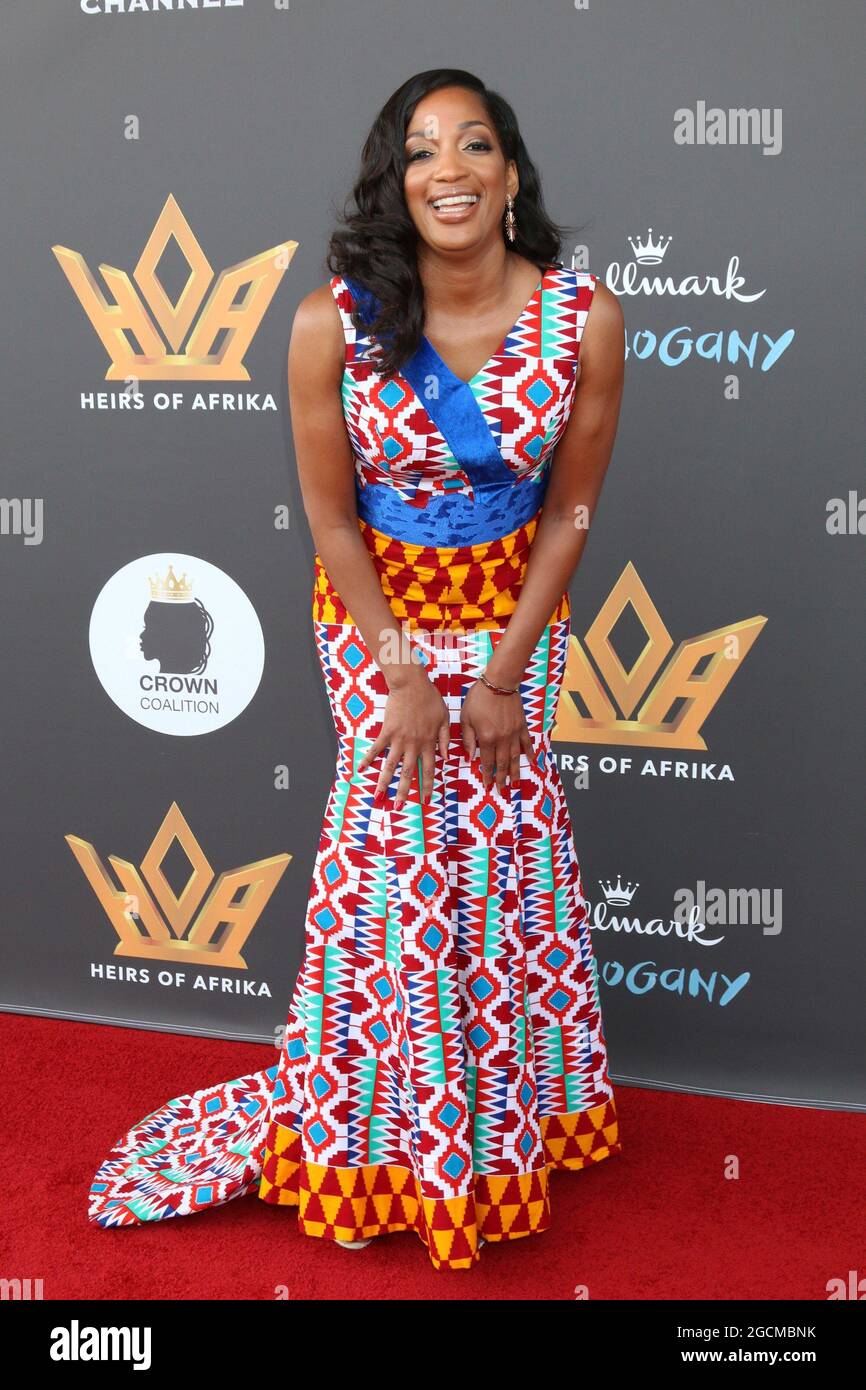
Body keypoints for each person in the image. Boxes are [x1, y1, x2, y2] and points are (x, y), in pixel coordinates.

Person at [88, 67, 626, 1272]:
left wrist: (498, 676)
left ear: (509, 176)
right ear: (396, 180)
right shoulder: (330, 321)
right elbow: (332, 523)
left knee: (499, 857)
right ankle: (387, 1127)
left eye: (473, 145)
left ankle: (508, 1113)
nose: (449, 167)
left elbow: (570, 518)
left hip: (510, 624)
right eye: (421, 149)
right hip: (374, 624)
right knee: (394, 864)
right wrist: (401, 671)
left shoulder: (582, 318)